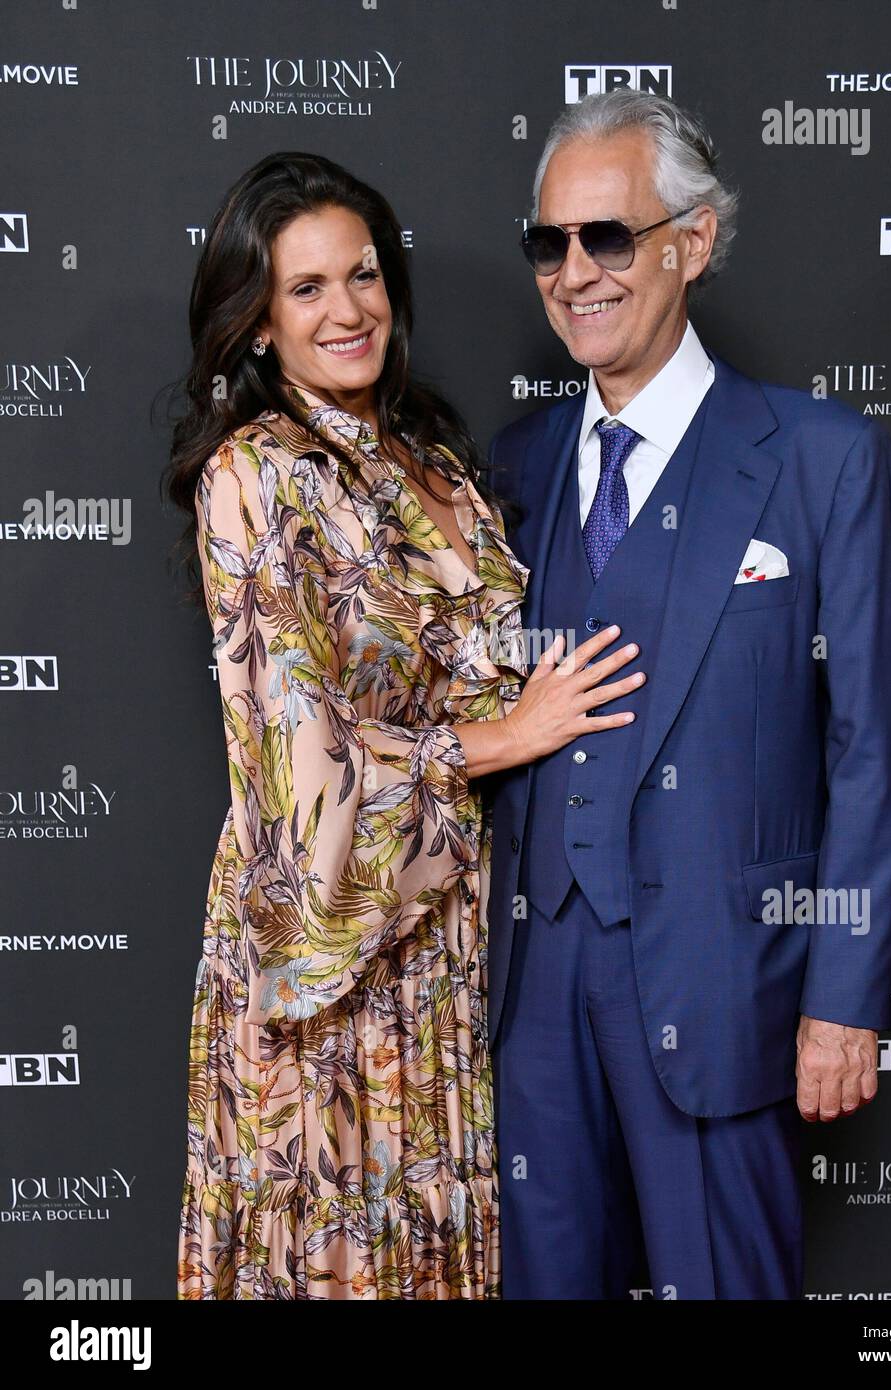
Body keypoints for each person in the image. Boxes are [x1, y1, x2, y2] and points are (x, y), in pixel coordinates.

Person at [164, 151, 643, 1299]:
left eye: (364, 275)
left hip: (446, 957)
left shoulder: (431, 457)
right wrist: (495, 740)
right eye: (307, 288)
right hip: (332, 974)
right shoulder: (255, 475)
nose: (348, 309)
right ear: (259, 323)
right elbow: (296, 765)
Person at [484, 90, 891, 1300]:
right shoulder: (504, 471)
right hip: (529, 1001)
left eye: (607, 238)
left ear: (692, 241)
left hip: (725, 987)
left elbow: (871, 749)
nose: (574, 273)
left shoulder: (822, 458)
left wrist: (843, 999)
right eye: (549, 243)